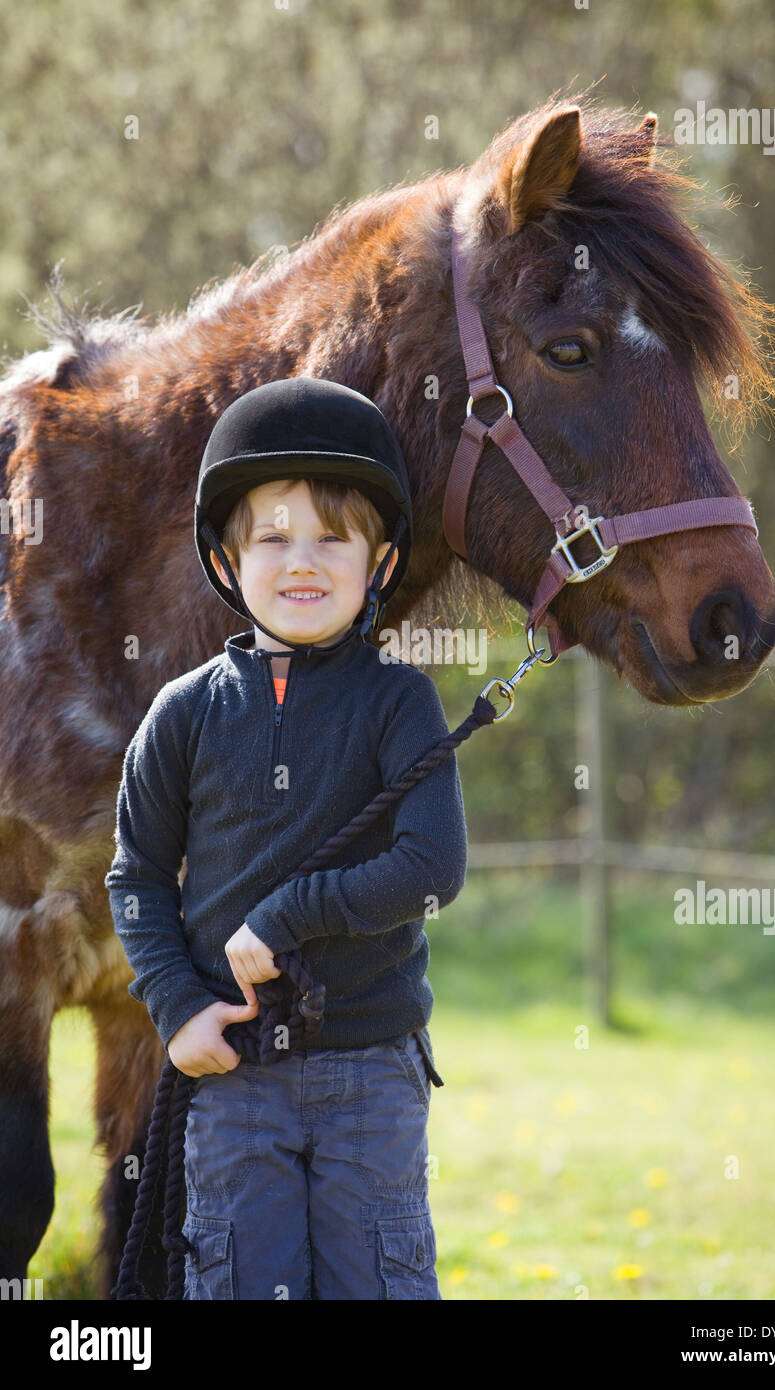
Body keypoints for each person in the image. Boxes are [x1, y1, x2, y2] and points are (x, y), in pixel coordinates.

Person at [104, 376, 468, 1299]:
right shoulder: (182, 715)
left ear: (379, 565)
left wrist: (287, 916)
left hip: (370, 1072)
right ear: (227, 563)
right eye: (273, 537)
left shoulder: (400, 703)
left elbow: (432, 866)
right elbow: (138, 876)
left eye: (332, 538)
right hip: (232, 1080)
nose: (302, 561)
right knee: (237, 1277)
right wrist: (176, 1004)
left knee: (375, 1281)